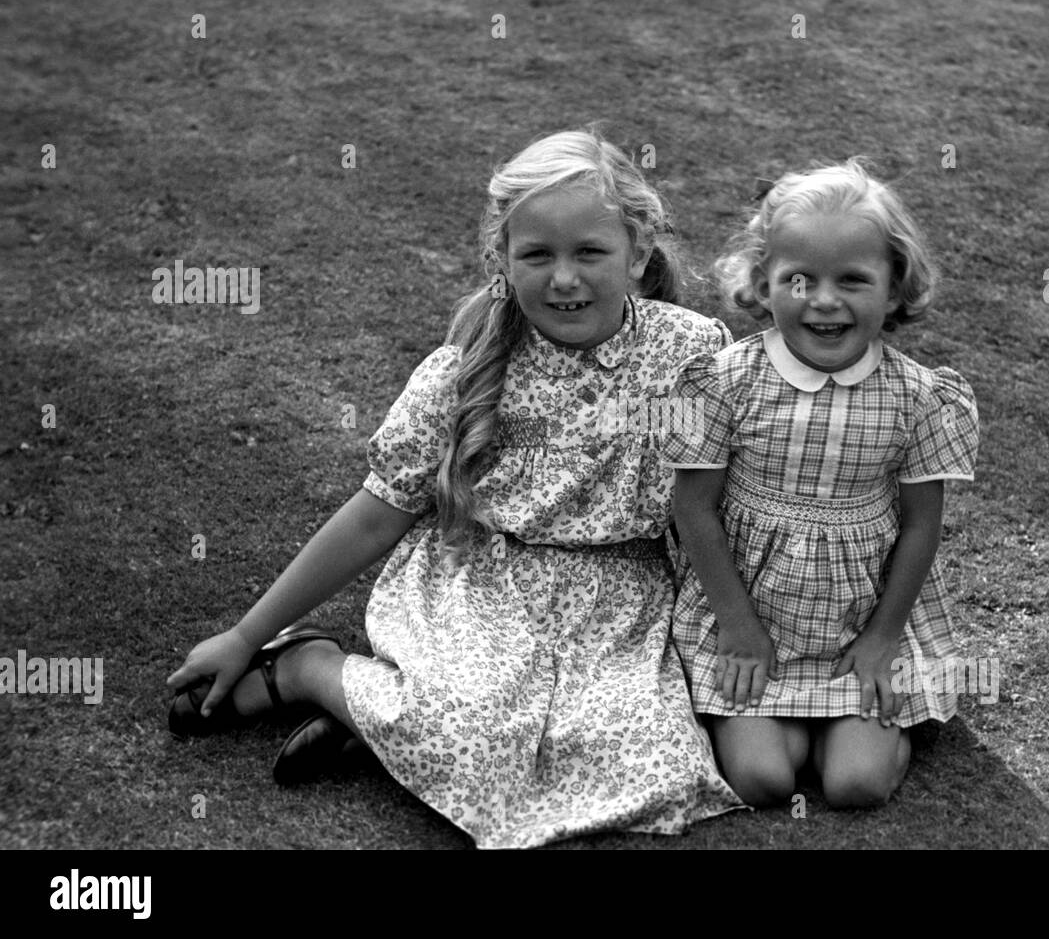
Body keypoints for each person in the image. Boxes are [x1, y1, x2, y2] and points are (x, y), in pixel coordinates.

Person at [166, 129, 744, 848]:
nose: (564, 279)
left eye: (589, 252)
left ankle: (372, 725)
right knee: (470, 726)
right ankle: (308, 668)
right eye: (537, 255)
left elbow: (734, 482)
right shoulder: (464, 371)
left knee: (656, 764)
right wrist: (245, 632)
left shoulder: (693, 352)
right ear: (501, 260)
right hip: (481, 584)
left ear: (639, 247)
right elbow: (374, 519)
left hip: (620, 599)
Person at [665, 158, 979, 809]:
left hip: (861, 616)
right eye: (799, 279)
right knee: (763, 778)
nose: (825, 299)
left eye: (854, 280)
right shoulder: (723, 382)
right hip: (751, 612)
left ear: (894, 290)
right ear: (763, 282)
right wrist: (738, 625)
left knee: (854, 784)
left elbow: (922, 522)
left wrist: (884, 636)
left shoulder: (919, 397)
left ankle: (854, 724)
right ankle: (790, 719)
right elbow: (693, 507)